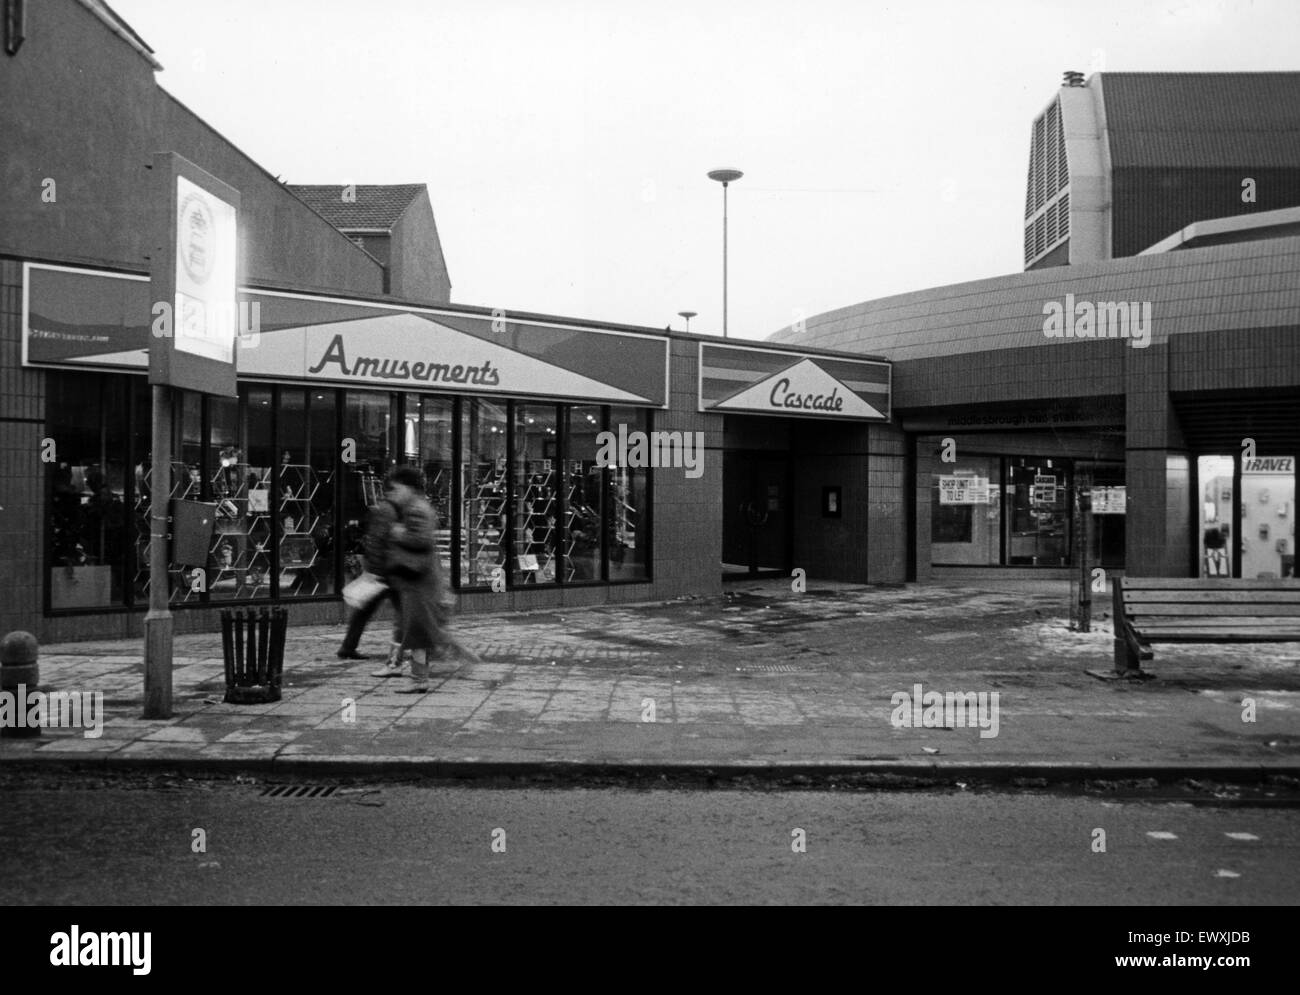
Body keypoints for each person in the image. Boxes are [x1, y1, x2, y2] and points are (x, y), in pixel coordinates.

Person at [375, 465, 453, 693]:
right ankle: (419, 677)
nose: (393, 495)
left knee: (418, 632)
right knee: (418, 630)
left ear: (409, 488)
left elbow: (421, 540)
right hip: (418, 580)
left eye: (396, 489)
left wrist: (398, 532)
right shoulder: (416, 507)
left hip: (418, 580)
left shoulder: (416, 509)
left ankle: (420, 680)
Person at [336, 485, 401, 661]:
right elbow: (380, 540)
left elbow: (374, 540)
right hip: (387, 571)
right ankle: (405, 652)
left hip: (382, 570)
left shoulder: (385, 508)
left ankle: (348, 646)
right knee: (404, 611)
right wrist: (381, 568)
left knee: (365, 610)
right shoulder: (388, 510)